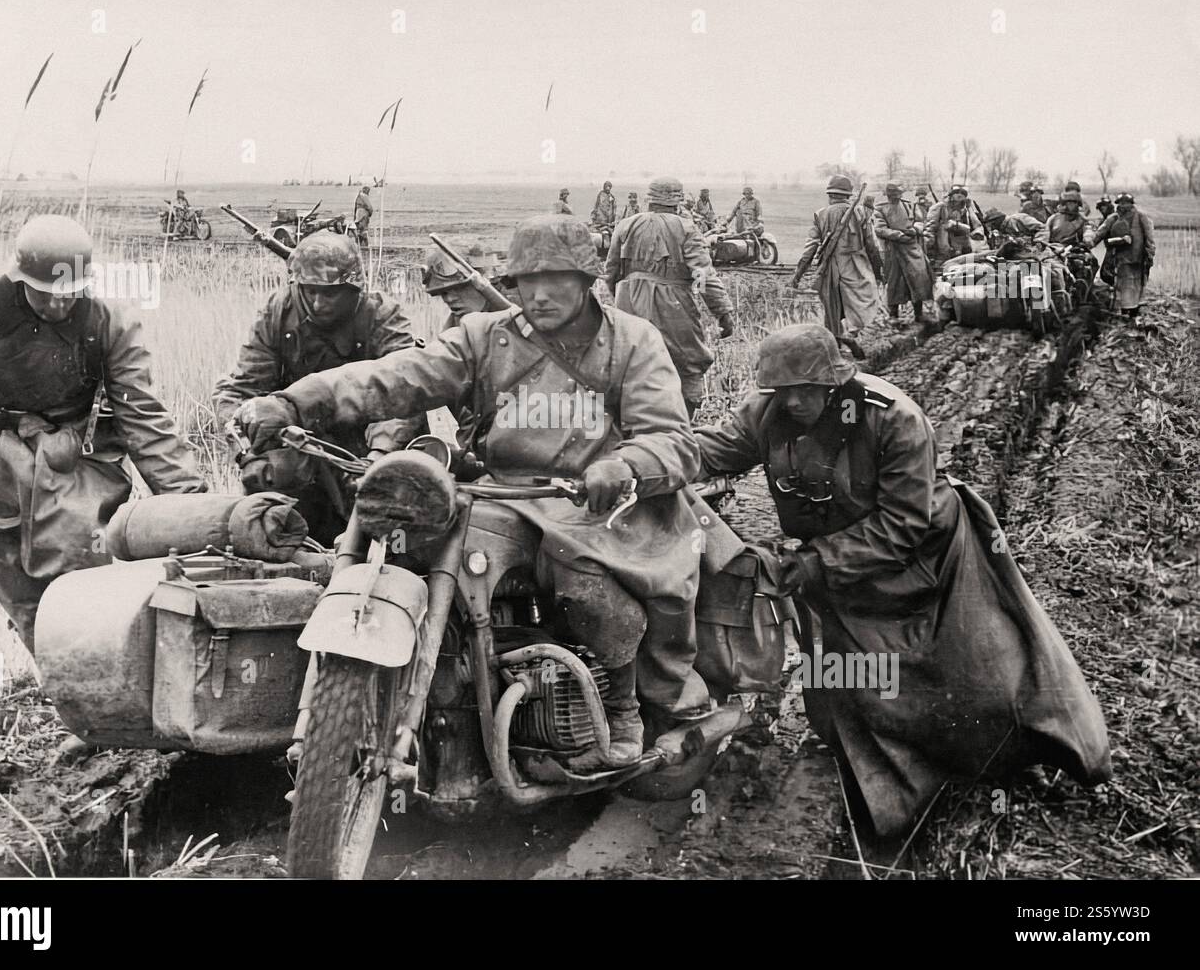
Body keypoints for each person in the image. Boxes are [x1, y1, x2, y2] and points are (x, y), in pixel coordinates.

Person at [236, 214, 714, 767]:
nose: (538, 294)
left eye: (555, 279)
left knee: (583, 581)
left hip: (595, 505)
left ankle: (625, 700)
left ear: (587, 280)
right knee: (413, 546)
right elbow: (400, 374)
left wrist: (625, 464)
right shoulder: (487, 336)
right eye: (526, 281)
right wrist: (297, 402)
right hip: (499, 495)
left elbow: (675, 443)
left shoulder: (632, 341)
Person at [693, 323, 1111, 843]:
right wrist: (636, 462)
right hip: (844, 570)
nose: (795, 402)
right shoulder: (766, 415)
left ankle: (1023, 748)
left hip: (928, 562)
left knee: (978, 676)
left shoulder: (892, 417)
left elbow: (904, 524)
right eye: (783, 391)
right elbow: (706, 451)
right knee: (855, 687)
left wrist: (812, 563)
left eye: (806, 390)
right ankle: (890, 787)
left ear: (834, 382)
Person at [0, 216, 205, 652]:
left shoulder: (110, 323)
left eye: (70, 293)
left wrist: (193, 510)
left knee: (84, 566)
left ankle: (93, 672)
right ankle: (51, 679)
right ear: (21, 278)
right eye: (47, 294)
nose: (60, 306)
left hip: (74, 450)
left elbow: (144, 419)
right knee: (18, 581)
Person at [213, 231, 420, 544]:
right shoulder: (278, 314)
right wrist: (246, 452)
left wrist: (378, 458)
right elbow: (240, 392)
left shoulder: (382, 317)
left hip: (366, 444)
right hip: (300, 442)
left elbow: (404, 392)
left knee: (391, 520)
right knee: (273, 482)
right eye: (309, 291)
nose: (318, 303)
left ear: (354, 289)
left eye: (330, 293)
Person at [604, 176, 735, 417]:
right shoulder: (685, 227)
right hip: (673, 305)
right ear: (677, 201)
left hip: (628, 303)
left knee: (631, 363)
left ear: (649, 200)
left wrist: (621, 302)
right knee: (688, 362)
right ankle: (680, 422)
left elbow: (611, 273)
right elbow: (702, 275)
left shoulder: (625, 225)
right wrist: (723, 312)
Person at [790, 175, 883, 334]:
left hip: (830, 270)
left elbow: (809, 250)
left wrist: (797, 276)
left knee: (832, 315)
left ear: (830, 195)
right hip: (858, 270)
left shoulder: (820, 215)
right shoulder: (860, 213)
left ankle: (836, 348)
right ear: (847, 195)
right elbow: (872, 246)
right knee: (867, 314)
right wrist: (878, 272)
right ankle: (866, 346)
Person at [872, 182, 933, 322]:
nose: (896, 197)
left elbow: (920, 221)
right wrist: (899, 235)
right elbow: (880, 229)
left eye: (898, 194)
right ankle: (894, 315)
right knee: (895, 282)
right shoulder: (880, 209)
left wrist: (915, 230)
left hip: (913, 248)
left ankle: (919, 314)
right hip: (894, 249)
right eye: (893, 194)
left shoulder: (909, 205)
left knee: (919, 278)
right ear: (887, 195)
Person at [1092, 193, 1155, 316]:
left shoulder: (1141, 217)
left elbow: (1149, 238)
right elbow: (1099, 234)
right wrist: (1089, 242)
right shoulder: (1113, 218)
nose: (1123, 205)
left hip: (1137, 258)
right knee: (1120, 287)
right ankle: (1122, 313)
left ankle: (1133, 313)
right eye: (1121, 202)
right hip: (1118, 259)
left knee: (1136, 286)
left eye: (1126, 202)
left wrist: (1150, 254)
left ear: (1131, 203)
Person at [923, 184, 984, 265]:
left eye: (961, 199)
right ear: (951, 197)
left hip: (961, 247)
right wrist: (928, 246)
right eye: (956, 199)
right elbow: (930, 227)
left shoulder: (965, 210)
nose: (958, 203)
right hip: (942, 247)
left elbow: (974, 227)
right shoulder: (940, 207)